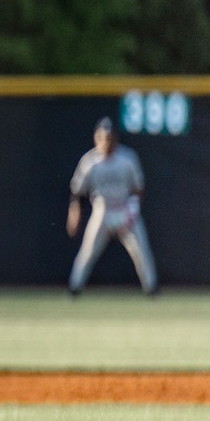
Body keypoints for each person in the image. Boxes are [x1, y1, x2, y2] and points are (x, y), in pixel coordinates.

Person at [67, 116, 157, 297]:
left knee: (141, 251)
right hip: (103, 210)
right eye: (102, 137)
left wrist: (132, 209)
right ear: (96, 138)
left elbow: (138, 188)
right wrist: (74, 212)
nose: (106, 142)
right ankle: (74, 288)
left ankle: (152, 289)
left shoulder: (127, 158)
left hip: (124, 208)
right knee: (88, 251)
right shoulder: (90, 161)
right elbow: (77, 191)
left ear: (115, 138)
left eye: (109, 137)